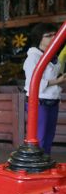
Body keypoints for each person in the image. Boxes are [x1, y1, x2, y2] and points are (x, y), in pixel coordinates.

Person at [23, 23, 64, 155]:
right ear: (39, 38)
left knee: (49, 136)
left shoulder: (52, 56)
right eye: (48, 36)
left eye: (54, 34)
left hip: (52, 101)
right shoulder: (33, 58)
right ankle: (37, 167)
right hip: (39, 102)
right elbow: (34, 84)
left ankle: (45, 164)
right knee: (39, 138)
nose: (53, 37)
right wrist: (57, 81)